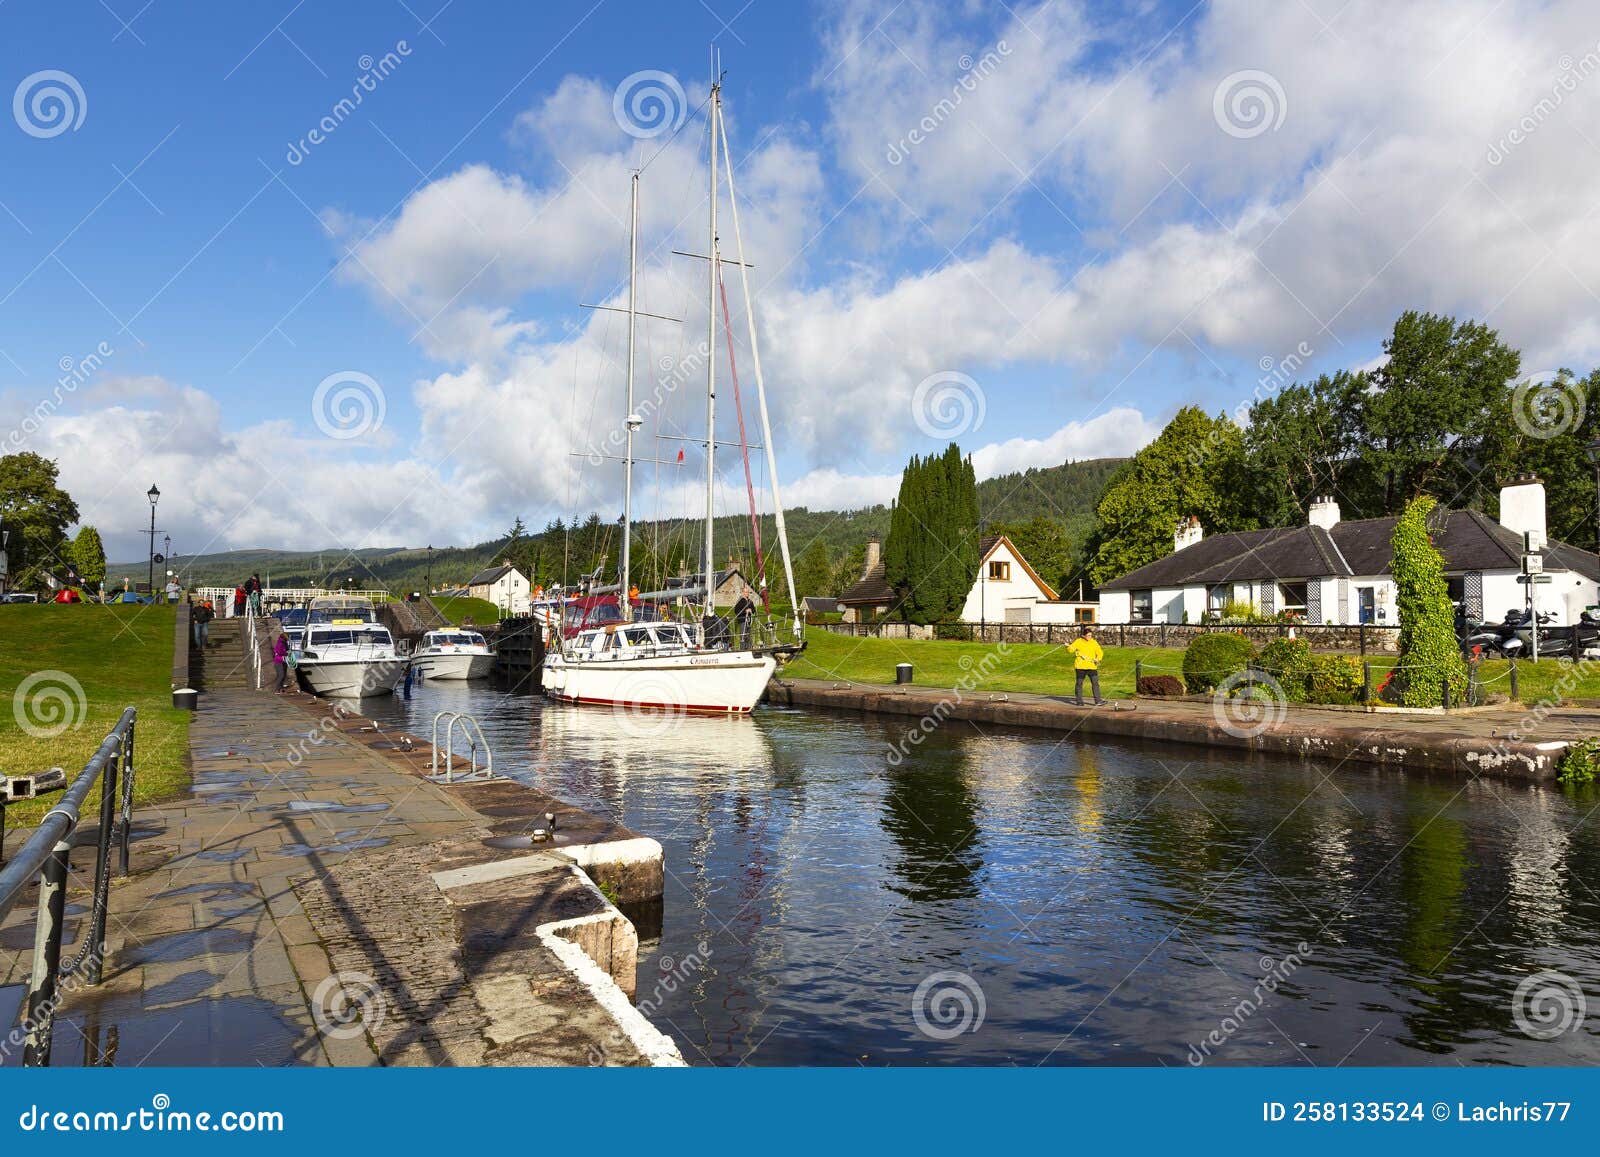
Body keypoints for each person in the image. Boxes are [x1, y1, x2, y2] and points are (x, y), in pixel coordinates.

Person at [1066, 625, 1107, 706]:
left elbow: (1100, 652)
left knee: (1095, 683)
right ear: (1083, 636)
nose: (1090, 637)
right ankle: (1079, 701)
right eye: (1088, 635)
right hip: (1081, 667)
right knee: (1079, 684)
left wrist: (1098, 659)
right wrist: (1068, 647)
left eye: (1091, 635)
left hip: (1092, 666)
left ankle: (1098, 701)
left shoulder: (1094, 642)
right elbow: (1070, 650)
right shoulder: (1078, 641)